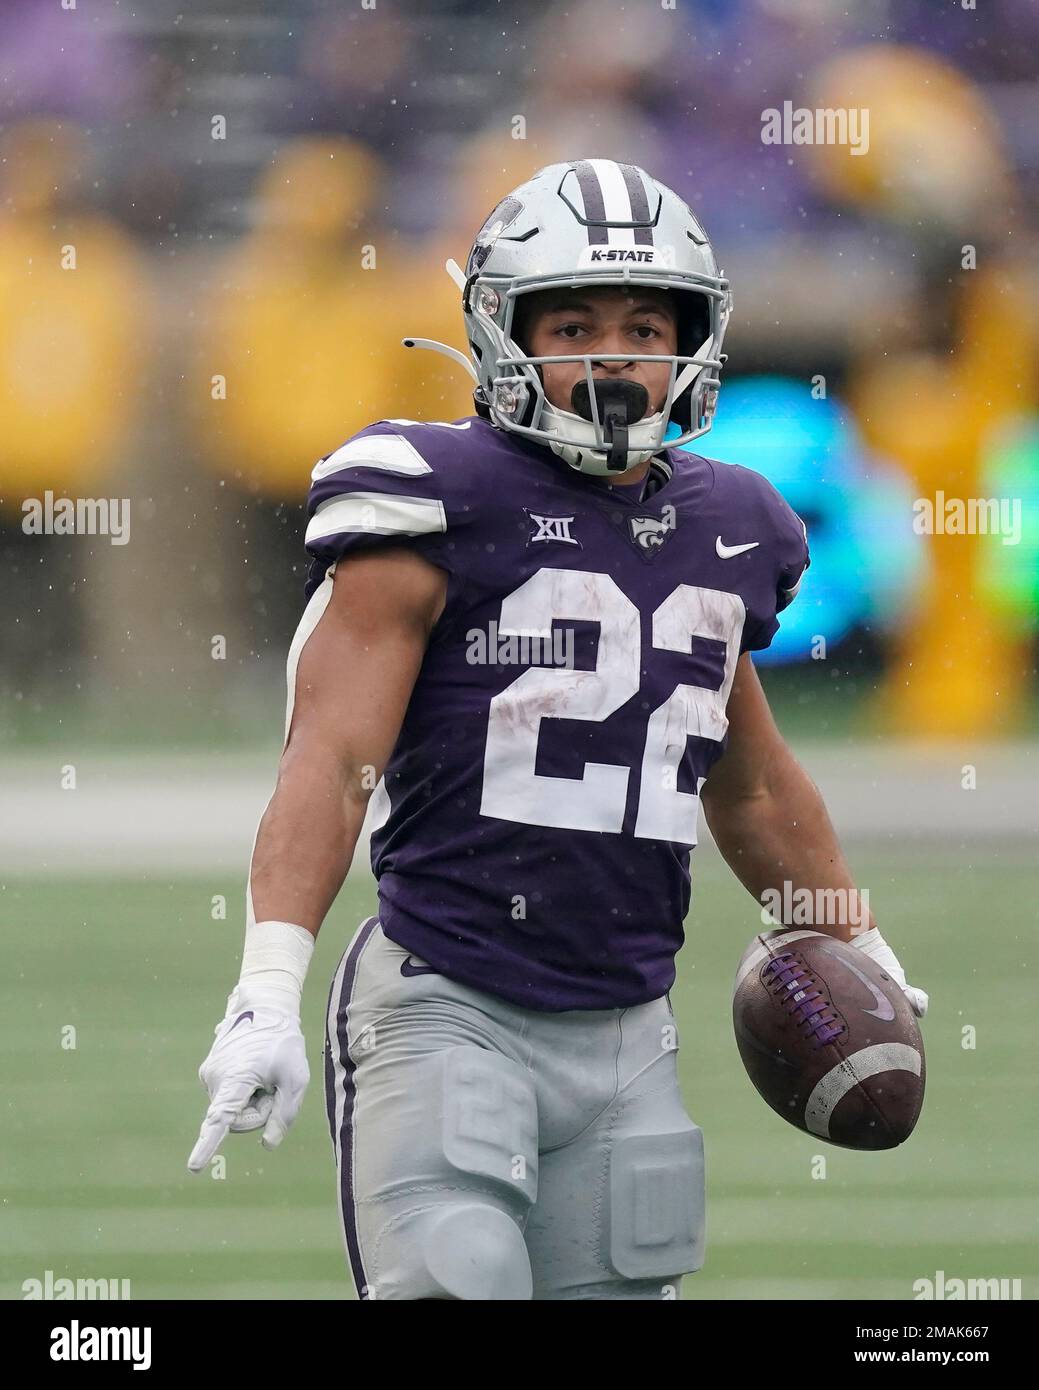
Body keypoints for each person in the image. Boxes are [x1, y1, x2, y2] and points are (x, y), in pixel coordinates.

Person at [188, 160, 928, 1300]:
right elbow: (332, 763)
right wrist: (266, 987)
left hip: (628, 1026)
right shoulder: (433, 496)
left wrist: (850, 933)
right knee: (458, 1279)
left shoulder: (729, 524)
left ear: (694, 339)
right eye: (574, 325)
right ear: (503, 333)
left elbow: (749, 782)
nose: (614, 356)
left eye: (645, 327)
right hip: (447, 997)